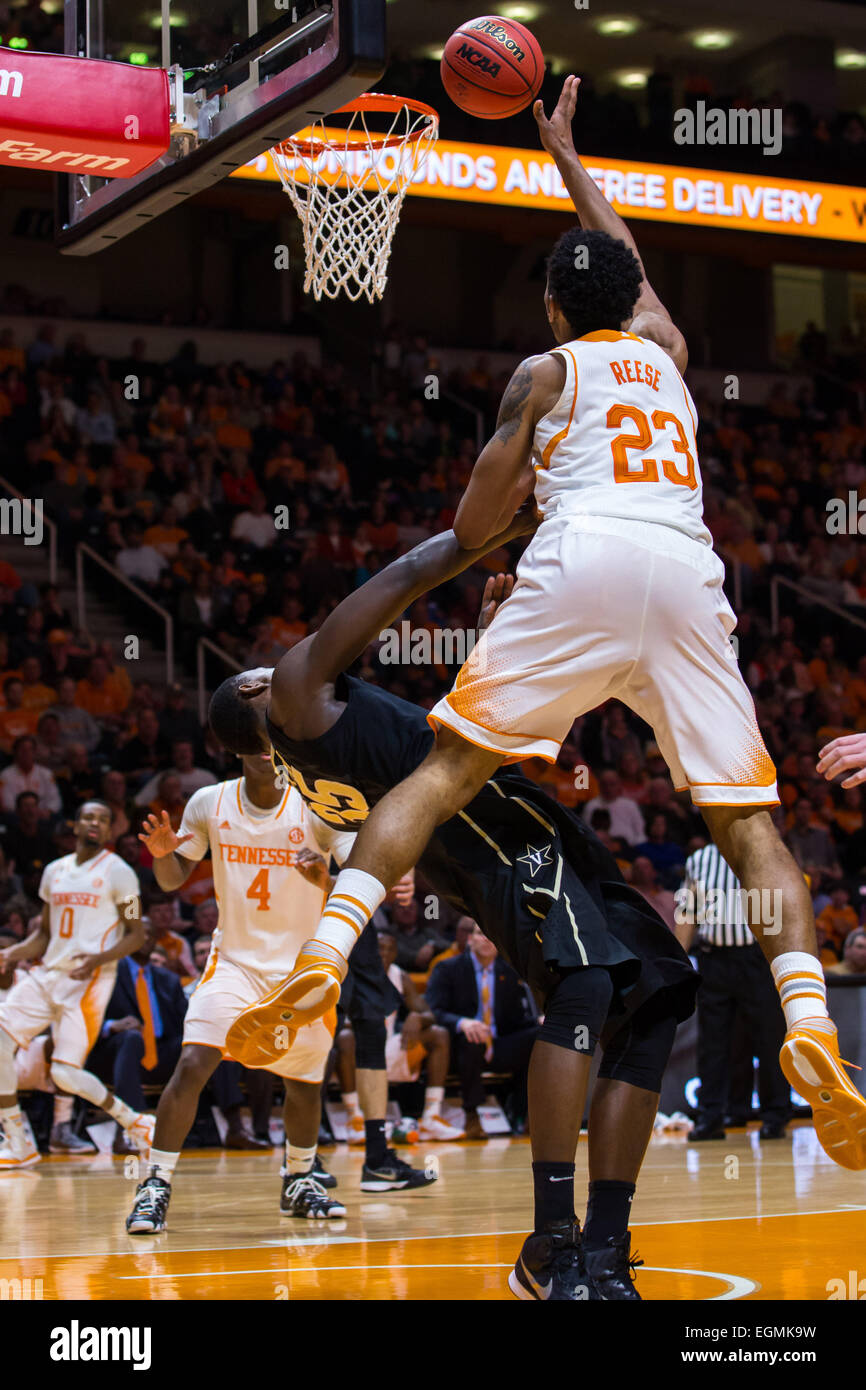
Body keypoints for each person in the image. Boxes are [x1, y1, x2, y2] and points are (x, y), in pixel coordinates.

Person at [255, 75, 865, 1179]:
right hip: (684, 571)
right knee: (748, 829)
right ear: (636, 303)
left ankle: (330, 939)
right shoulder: (670, 359)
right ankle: (810, 1021)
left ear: (547, 309)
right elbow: (619, 257)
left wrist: (519, 498)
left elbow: (472, 528)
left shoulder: (543, 371)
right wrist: (566, 157)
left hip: (578, 558)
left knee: (443, 770)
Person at [206, 522, 697, 1299]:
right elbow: (400, 577)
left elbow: (442, 751)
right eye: (257, 671)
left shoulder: (311, 763)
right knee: (586, 988)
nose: (278, 660)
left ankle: (605, 1244)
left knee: (658, 995)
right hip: (493, 840)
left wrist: (492, 641)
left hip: (503, 829)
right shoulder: (298, 687)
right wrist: (484, 528)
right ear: (256, 696)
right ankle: (550, 1241)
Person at [124, 752, 355, 1234]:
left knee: (306, 1081)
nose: (270, 755)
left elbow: (362, 880)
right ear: (239, 749)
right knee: (193, 1064)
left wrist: (325, 879)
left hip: (300, 968)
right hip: (233, 962)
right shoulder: (210, 801)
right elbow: (171, 881)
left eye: (276, 745)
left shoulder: (318, 803)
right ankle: (154, 1183)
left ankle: (298, 1177)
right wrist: (164, 856)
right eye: (259, 745)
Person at [0, 801, 154, 1168]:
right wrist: (12, 953)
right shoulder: (55, 871)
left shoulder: (121, 874)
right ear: (75, 822)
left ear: (110, 829)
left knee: (64, 1073)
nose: (95, 824)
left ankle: (134, 1121)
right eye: (88, 817)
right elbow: (45, 935)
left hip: (91, 980)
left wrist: (99, 959)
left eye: (103, 819)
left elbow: (137, 935)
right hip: (49, 973)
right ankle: (18, 1141)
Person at [678, 842, 790, 1143]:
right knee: (712, 1043)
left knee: (768, 1039)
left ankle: (775, 1115)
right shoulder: (699, 859)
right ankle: (711, 1117)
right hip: (713, 958)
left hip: (757, 958)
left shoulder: (767, 852)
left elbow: (787, 907)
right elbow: (687, 913)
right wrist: (676, 960)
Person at [336, 928, 464, 1142]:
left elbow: (429, 1014)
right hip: (358, 1052)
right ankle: (355, 1117)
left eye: (389, 949)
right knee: (346, 1037)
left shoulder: (400, 976)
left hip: (388, 1048)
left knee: (438, 1034)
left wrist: (418, 1018)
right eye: (379, 948)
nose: (383, 954)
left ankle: (431, 1116)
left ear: (396, 954)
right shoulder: (348, 974)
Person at [87, 919, 188, 1155]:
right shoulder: (107, 973)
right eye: (139, 934)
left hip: (160, 1054)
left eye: (150, 935)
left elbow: (186, 1023)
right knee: (131, 1039)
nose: (145, 939)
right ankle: (130, 1129)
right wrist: (112, 1026)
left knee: (203, 1046)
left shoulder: (168, 980)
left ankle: (233, 1127)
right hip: (114, 1057)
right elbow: (86, 1015)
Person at [426, 924, 537, 1140]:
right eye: (480, 934)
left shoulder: (509, 972)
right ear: (470, 940)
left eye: (491, 935)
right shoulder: (447, 968)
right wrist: (462, 1023)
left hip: (498, 1044)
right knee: (473, 1038)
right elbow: (432, 1012)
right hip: (460, 1048)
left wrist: (538, 1022)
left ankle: (523, 1114)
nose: (486, 939)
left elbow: (516, 1021)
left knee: (538, 1039)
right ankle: (472, 1115)